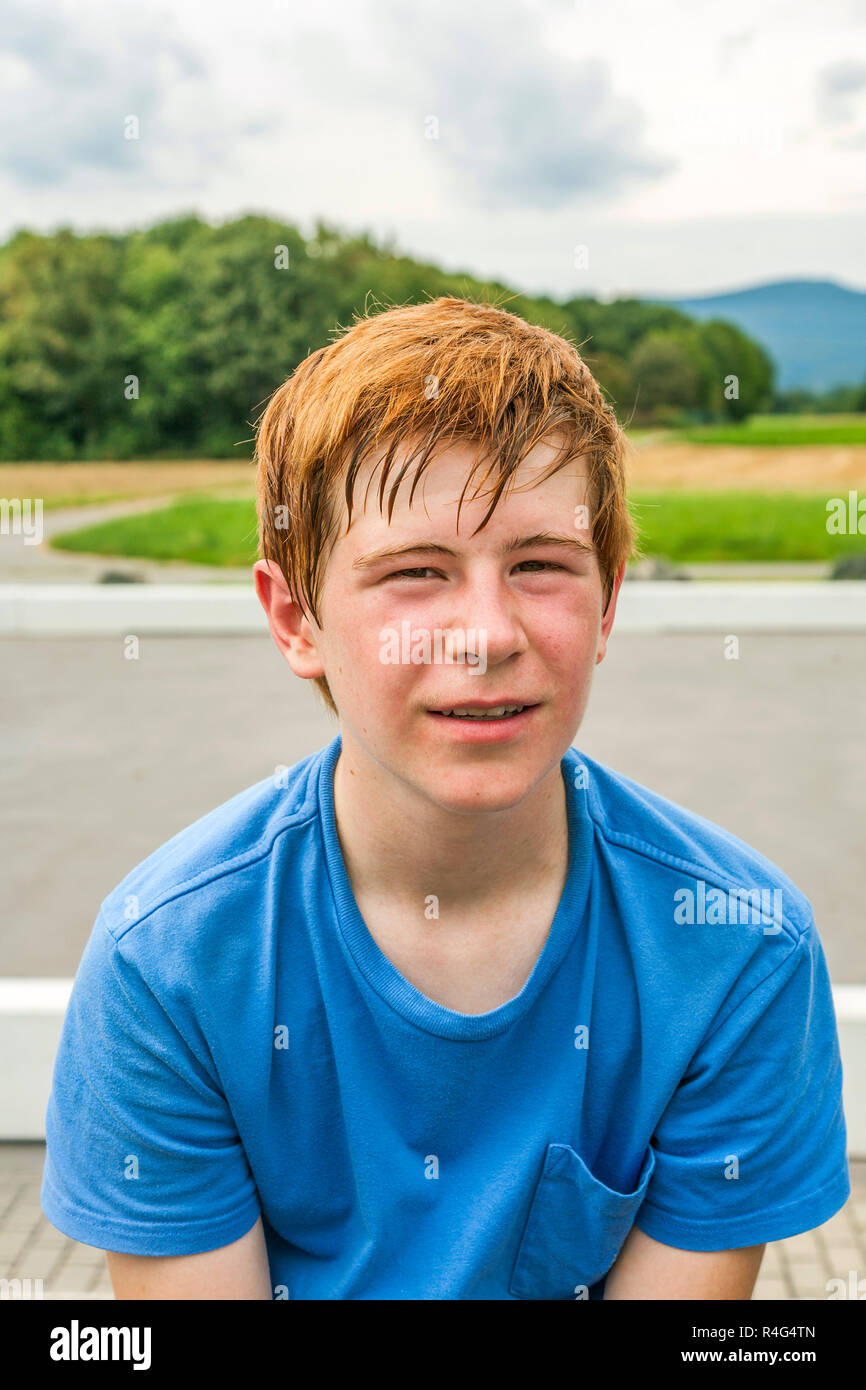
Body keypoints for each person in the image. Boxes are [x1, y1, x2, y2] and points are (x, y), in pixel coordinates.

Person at [41, 297, 849, 1300]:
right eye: (416, 572)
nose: (484, 633)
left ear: (607, 603)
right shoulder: (166, 968)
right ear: (296, 618)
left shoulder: (738, 950)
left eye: (540, 565)